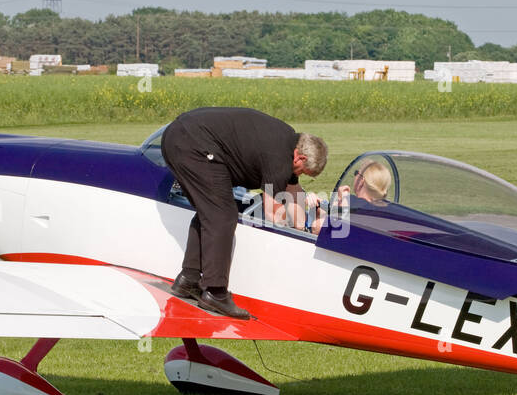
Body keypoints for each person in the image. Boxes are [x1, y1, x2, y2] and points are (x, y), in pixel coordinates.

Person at [160, 107, 327, 319]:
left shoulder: (286, 141)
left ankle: (189, 279)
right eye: (304, 171)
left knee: (209, 210)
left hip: (181, 137)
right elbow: (272, 213)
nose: (301, 174)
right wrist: (290, 236)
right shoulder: (278, 159)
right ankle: (215, 292)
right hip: (194, 144)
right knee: (223, 215)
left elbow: (294, 192)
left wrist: (304, 229)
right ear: (300, 158)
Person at [309, 160, 392, 235]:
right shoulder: (386, 210)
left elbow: (316, 228)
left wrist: (340, 202)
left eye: (356, 173)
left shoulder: (352, 205)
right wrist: (324, 205)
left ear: (361, 181)